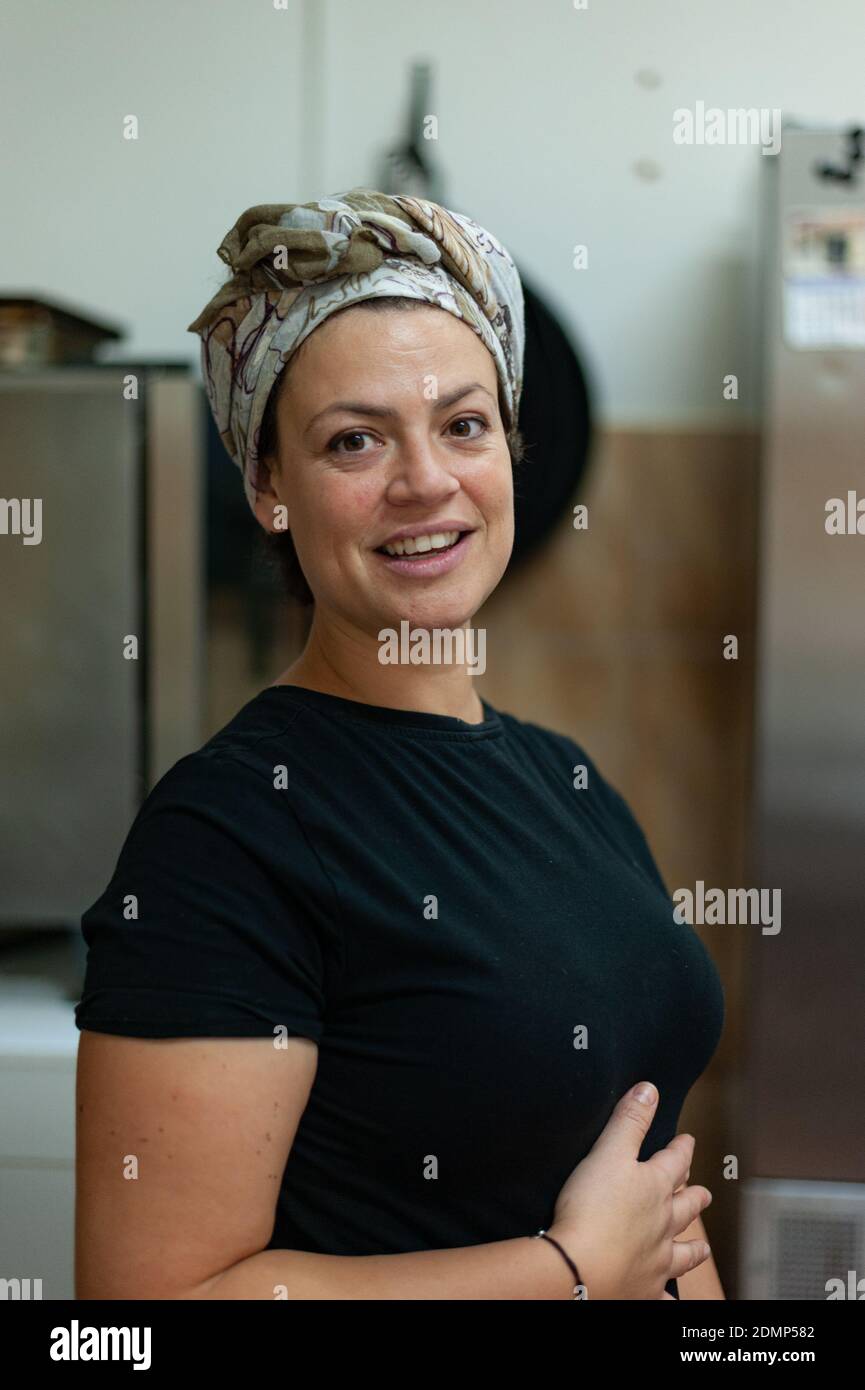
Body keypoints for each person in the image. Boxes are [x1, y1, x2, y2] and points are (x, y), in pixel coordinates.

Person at [74, 189, 725, 1300]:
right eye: (354, 439)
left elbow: (655, 1215)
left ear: (510, 450)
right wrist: (564, 1271)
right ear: (269, 488)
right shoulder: (229, 834)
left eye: (463, 424)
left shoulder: (564, 780)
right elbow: (140, 1317)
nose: (426, 480)